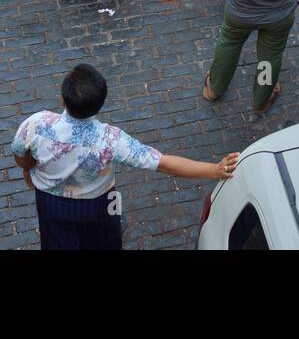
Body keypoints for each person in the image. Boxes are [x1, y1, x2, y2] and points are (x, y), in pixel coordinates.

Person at [12, 63, 238, 250]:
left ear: (63, 99)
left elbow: (20, 154)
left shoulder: (37, 124)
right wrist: (214, 170)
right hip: (101, 204)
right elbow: (164, 163)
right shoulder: (111, 139)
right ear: (99, 106)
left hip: (51, 205)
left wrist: (28, 170)